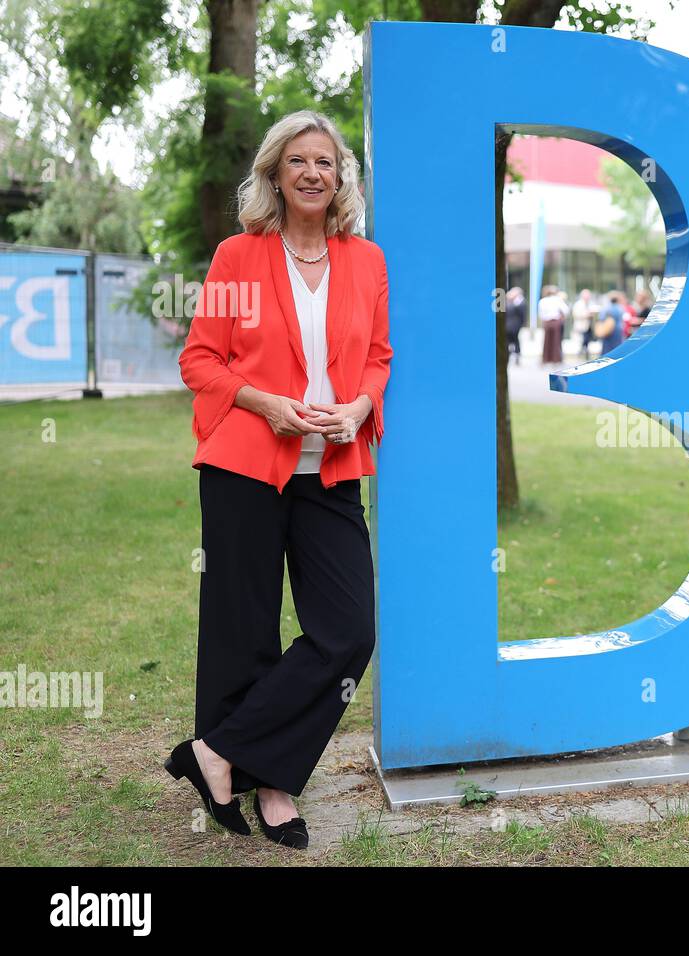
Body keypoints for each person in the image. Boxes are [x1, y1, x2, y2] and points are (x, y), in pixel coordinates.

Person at [168, 110, 392, 851]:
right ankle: (270, 784)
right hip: (245, 465)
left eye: (325, 162)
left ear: (340, 178)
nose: (311, 173)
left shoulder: (366, 261)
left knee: (348, 630)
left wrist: (358, 405)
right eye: (297, 160)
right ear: (275, 173)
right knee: (245, 630)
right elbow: (201, 360)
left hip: (328, 467)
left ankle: (216, 751)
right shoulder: (238, 255)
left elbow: (378, 357)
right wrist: (267, 404)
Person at [537, 284, 568, 364]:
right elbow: (565, 310)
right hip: (555, 321)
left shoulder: (542, 301)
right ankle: (556, 359)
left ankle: (546, 358)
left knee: (547, 341)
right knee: (556, 341)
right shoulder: (557, 300)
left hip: (547, 322)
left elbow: (541, 314)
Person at [595, 290, 626, 356]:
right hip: (618, 331)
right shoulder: (620, 308)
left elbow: (601, 318)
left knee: (607, 349)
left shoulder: (606, 308)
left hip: (608, 330)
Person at [504, 287, 526, 365]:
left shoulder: (520, 302)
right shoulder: (508, 302)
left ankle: (516, 355)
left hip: (515, 325)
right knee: (508, 341)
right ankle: (510, 354)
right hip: (508, 325)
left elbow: (522, 316)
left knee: (515, 341)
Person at [571, 288, 594, 359]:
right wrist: (586, 315)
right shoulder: (578, 304)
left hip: (589, 325)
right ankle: (582, 352)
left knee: (587, 339)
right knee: (582, 339)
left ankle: (585, 352)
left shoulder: (591, 303)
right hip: (581, 325)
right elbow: (575, 314)